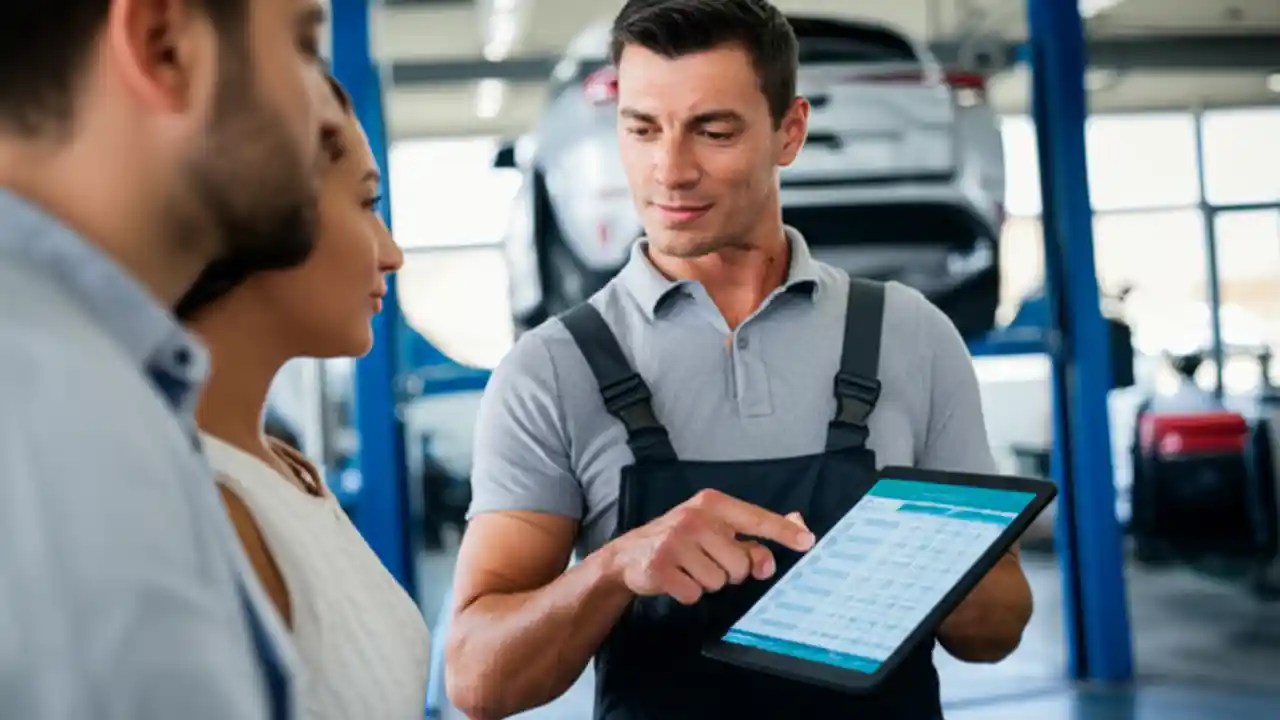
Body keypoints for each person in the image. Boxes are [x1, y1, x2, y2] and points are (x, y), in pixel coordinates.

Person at [444, 1, 1033, 718]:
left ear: (790, 132)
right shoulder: (551, 370)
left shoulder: (910, 336)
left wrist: (915, 566)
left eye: (712, 131)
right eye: (641, 129)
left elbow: (999, 631)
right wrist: (614, 569)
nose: (670, 170)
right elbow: (477, 679)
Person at [0, 1, 342, 718]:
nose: (331, 116)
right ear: (165, 48)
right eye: (304, 46)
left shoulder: (96, 377)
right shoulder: (64, 421)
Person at [174, 75, 429, 720]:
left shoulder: (280, 466)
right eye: (367, 204)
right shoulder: (197, 510)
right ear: (262, 210)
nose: (392, 253)